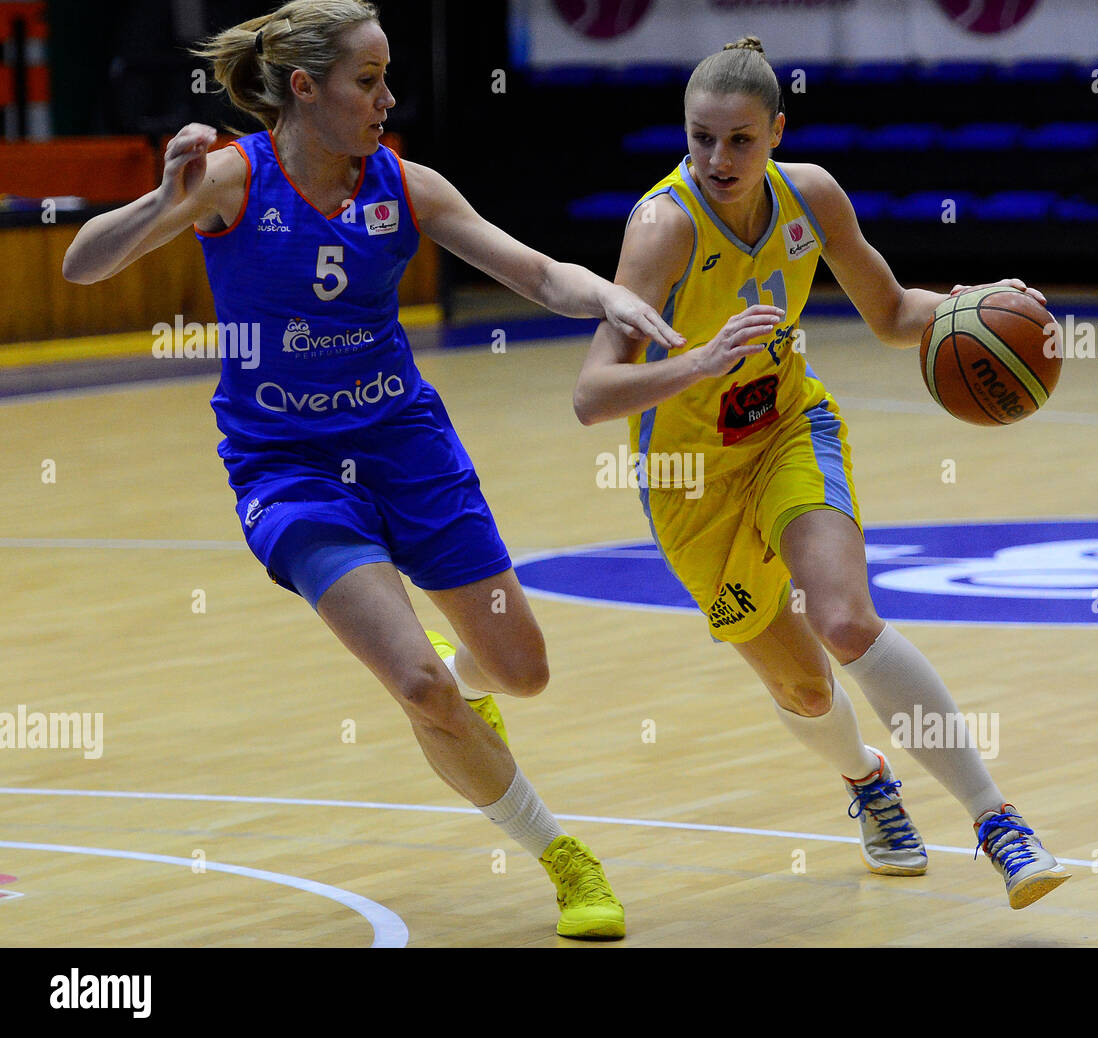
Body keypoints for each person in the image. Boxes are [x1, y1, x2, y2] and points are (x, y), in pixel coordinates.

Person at [62, 0, 686, 940]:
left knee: (523, 675)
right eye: (369, 81)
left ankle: (455, 681)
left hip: (406, 448)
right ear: (304, 88)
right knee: (421, 689)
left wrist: (612, 298)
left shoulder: (409, 184)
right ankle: (564, 855)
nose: (388, 98)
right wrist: (161, 200)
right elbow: (80, 265)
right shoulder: (231, 179)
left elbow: (539, 274)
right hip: (287, 467)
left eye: (387, 77)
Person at [574, 37, 1070, 909]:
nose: (717, 160)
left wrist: (968, 303)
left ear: (776, 133)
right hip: (690, 477)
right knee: (802, 683)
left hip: (789, 430)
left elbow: (889, 314)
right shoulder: (665, 228)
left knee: (844, 620)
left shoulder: (813, 196)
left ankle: (1001, 825)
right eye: (699, 140)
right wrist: (696, 363)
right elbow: (592, 394)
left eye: (739, 141)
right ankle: (868, 781)